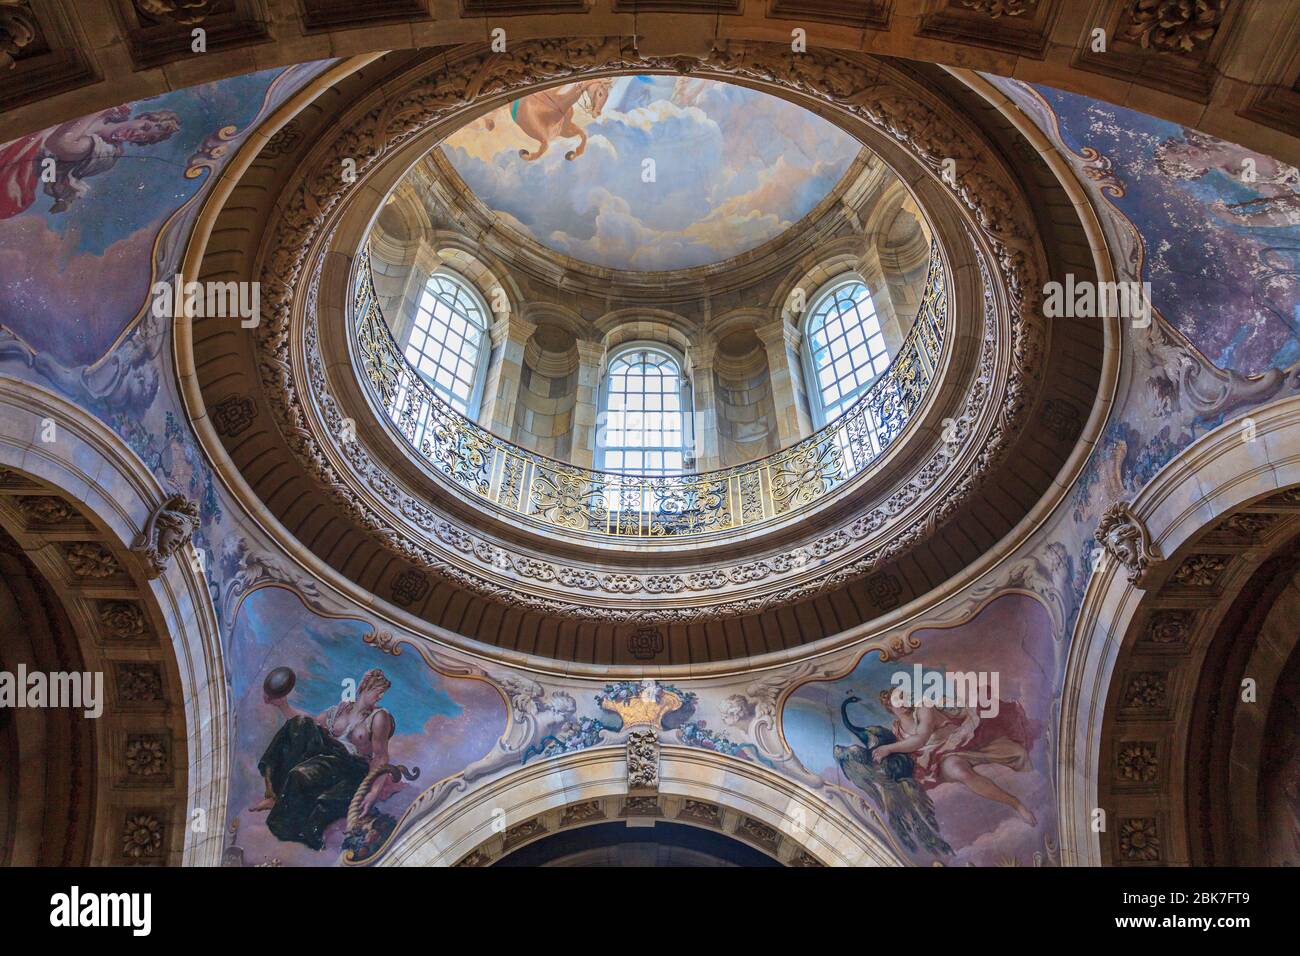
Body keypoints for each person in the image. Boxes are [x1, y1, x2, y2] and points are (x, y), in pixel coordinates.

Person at [249, 668, 405, 850]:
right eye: (379, 691)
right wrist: (283, 705)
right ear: (366, 686)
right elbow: (311, 724)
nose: (380, 697)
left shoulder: (380, 716)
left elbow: (380, 757)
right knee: (298, 724)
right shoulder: (343, 707)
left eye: (382, 693)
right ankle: (272, 794)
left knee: (300, 774)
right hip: (330, 753)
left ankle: (291, 821)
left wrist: (372, 792)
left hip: (352, 765)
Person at [871, 687, 1039, 826]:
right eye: (896, 701)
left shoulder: (924, 708)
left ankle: (1028, 797)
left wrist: (889, 748)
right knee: (960, 771)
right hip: (939, 759)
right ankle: (1015, 804)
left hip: (964, 742)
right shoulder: (896, 728)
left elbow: (920, 739)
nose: (902, 702)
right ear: (890, 708)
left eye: (903, 697)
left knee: (1018, 753)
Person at [0, 105, 181, 220]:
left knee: (11, 198)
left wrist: (100, 107)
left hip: (26, 156)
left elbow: (60, 143)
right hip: (29, 119)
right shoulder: (117, 111)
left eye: (145, 138)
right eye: (145, 127)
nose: (139, 134)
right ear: (143, 117)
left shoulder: (106, 152)